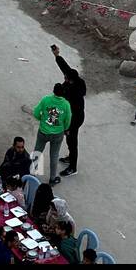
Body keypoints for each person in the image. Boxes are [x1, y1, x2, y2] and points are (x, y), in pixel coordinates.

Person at [51, 44, 86, 177]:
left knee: (72, 141)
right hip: (71, 117)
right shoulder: (74, 79)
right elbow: (65, 67)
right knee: (69, 140)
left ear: (70, 81)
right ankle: (70, 158)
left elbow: (69, 110)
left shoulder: (75, 93)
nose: (64, 79)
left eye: (66, 79)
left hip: (75, 119)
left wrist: (68, 127)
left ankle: (73, 166)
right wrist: (57, 55)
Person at [32, 83, 72, 185]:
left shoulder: (46, 100)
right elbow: (68, 120)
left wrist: (42, 119)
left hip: (43, 131)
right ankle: (52, 179)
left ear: (53, 91)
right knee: (54, 156)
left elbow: (36, 113)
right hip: (57, 134)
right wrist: (65, 129)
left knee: (37, 152)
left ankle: (32, 175)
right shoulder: (66, 105)